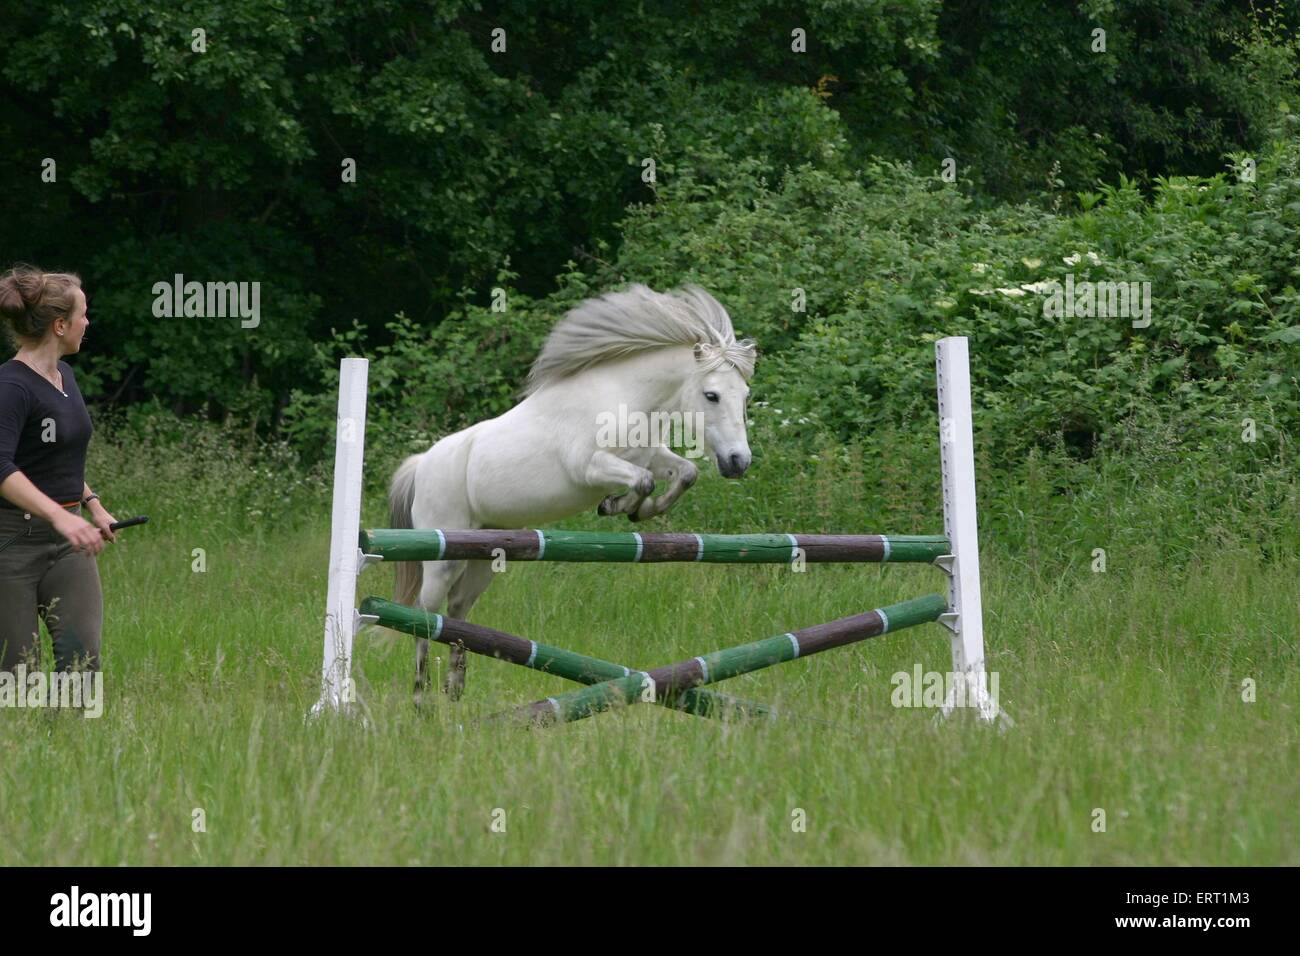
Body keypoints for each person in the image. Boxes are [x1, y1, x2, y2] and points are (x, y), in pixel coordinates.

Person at [0, 264, 117, 674]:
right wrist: (58, 516)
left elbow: (55, 457)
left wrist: (92, 505)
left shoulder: (63, 375)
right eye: (84, 314)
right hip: (13, 540)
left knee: (83, 661)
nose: (89, 322)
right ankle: (20, 740)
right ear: (61, 325)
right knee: (15, 673)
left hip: (70, 541)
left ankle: (74, 739)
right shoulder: (11, 386)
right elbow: (2, 466)